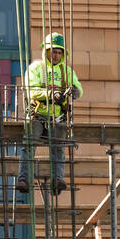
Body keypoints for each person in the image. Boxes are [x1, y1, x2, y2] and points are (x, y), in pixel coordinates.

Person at [17, 33, 82, 196]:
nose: (56, 55)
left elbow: (79, 88)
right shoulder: (36, 68)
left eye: (59, 52)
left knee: (58, 148)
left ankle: (58, 180)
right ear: (46, 51)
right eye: (53, 52)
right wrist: (50, 94)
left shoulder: (66, 71)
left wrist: (74, 91)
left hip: (57, 116)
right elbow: (31, 90)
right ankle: (24, 179)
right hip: (38, 114)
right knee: (29, 145)